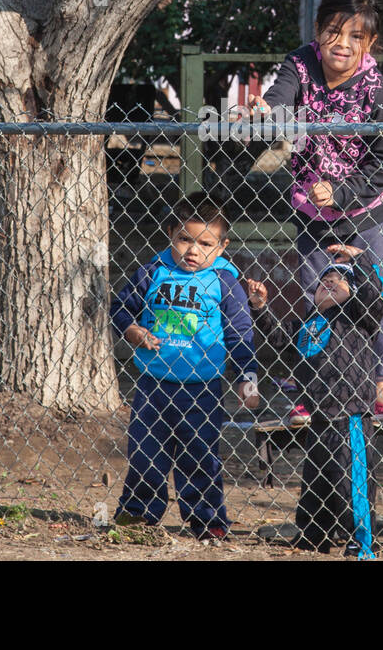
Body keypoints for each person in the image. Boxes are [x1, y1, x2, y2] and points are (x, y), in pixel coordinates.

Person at [246, 0, 383, 430]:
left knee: (377, 298)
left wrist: (345, 192)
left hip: (366, 210)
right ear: (317, 30)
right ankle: (313, 391)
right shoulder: (300, 65)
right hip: (313, 213)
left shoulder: (374, 86)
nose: (342, 44)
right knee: (318, 296)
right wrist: (267, 112)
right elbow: (280, 97)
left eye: (355, 36)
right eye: (333, 30)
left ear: (369, 43)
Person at [110, 193, 258, 540]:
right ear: (170, 233)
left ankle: (207, 521)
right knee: (145, 454)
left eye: (205, 243)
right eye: (184, 239)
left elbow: (240, 334)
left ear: (222, 246)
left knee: (200, 457)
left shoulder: (225, 283)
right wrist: (132, 330)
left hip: (202, 389)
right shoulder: (152, 271)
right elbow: (120, 307)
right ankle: (137, 515)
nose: (193, 250)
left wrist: (247, 377)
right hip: (152, 385)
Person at [247, 244, 383, 557]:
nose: (329, 282)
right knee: (316, 483)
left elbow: (374, 297)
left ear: (355, 290)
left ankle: (361, 540)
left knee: (351, 481)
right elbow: (279, 337)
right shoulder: (309, 323)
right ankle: (313, 533)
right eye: (324, 280)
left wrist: (358, 259)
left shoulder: (358, 319)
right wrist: (261, 308)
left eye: (339, 280)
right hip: (319, 416)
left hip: (350, 413)